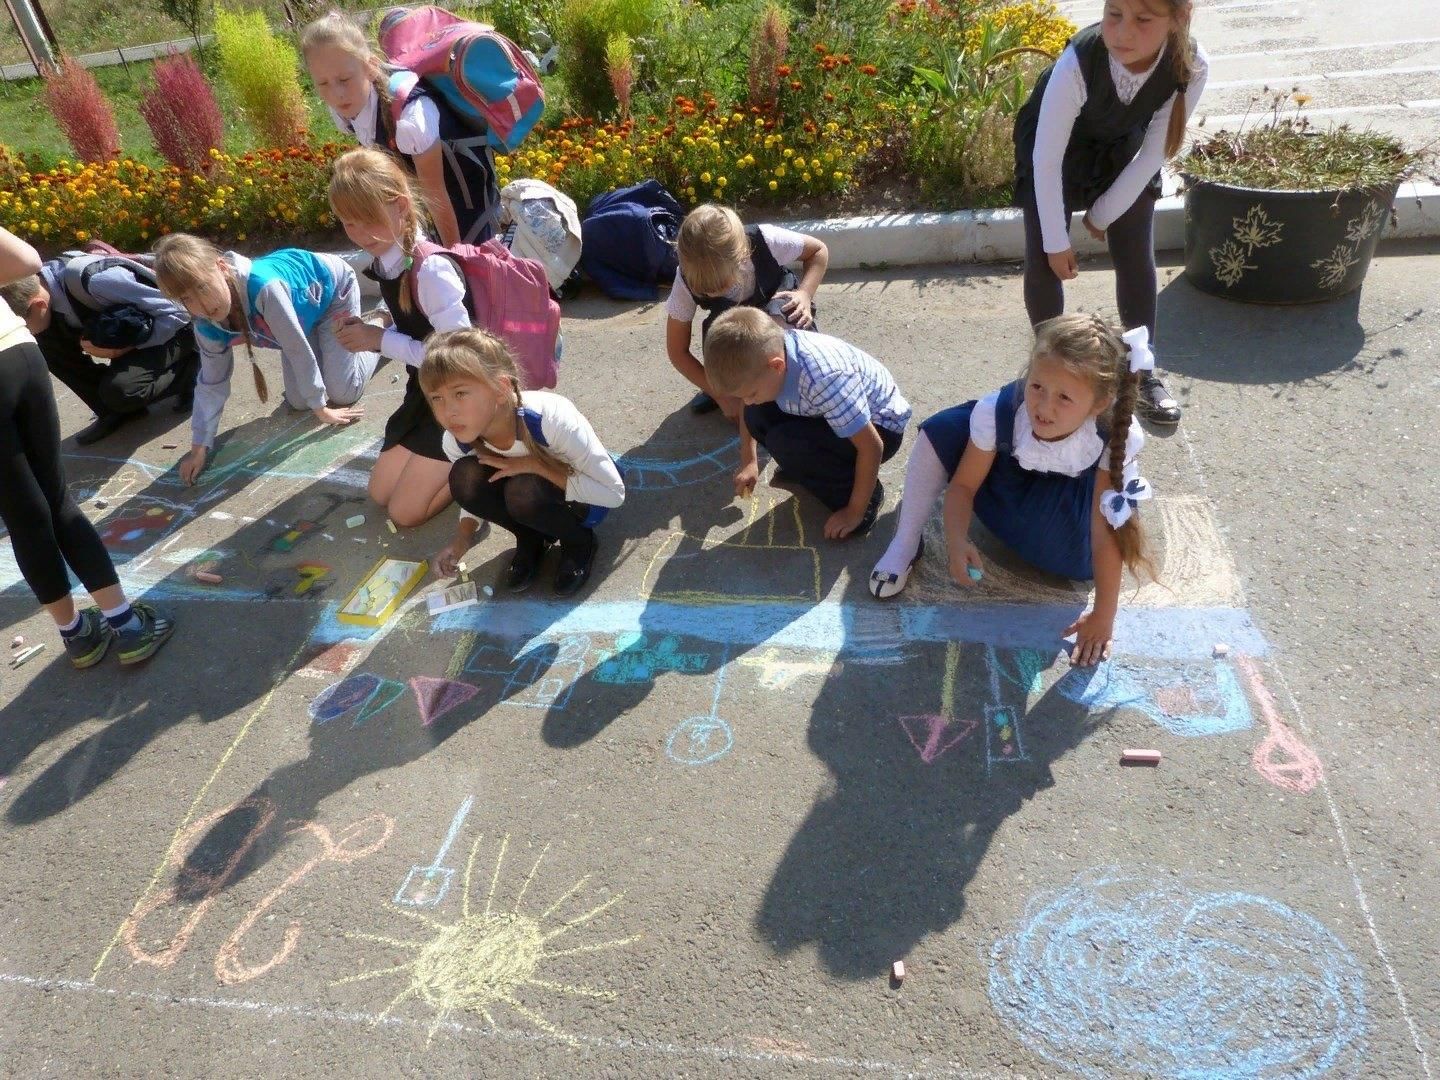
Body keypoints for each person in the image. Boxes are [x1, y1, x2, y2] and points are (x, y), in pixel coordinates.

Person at [869, 313, 1157, 666]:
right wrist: (957, 539)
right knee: (943, 428)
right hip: (1014, 480)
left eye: (1064, 398)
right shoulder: (1001, 412)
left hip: (1069, 510)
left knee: (1056, 549)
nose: (1044, 407)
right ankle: (906, 540)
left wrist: (1104, 615)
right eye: (1037, 387)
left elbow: (1104, 533)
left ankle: (1028, 529)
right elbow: (963, 486)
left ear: (1098, 404)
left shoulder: (1114, 435)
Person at [1012, 0, 1207, 426]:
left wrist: (1103, 214)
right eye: (1113, 13)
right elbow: (1046, 160)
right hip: (1053, 151)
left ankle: (1140, 369)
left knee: (1135, 246)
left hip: (1123, 149)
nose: (1122, 32)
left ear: (1177, 19)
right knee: (1044, 260)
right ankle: (1051, 372)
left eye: (1143, 19)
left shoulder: (1190, 66)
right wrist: (1057, 243)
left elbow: (1153, 153)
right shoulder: (1079, 62)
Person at [0, 227, 176, 666]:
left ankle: (76, 634)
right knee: (56, 499)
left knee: (23, 516)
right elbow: (25, 260)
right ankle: (127, 625)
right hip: (12, 353)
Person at [151, 234, 379, 486]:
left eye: (203, 286)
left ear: (221, 267)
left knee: (343, 391)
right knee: (299, 401)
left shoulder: (264, 288)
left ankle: (378, 329)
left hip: (331, 294)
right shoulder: (206, 323)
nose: (202, 305)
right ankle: (330, 348)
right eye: (187, 299)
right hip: (301, 319)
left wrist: (321, 408)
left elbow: (295, 349)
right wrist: (199, 447)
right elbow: (211, 382)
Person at [328, 146, 471, 527]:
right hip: (425, 392)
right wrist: (377, 323)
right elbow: (413, 319)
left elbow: (460, 359)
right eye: (348, 223)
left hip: (460, 396)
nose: (360, 234)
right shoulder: (388, 257)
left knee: (404, 513)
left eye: (368, 219)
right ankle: (451, 461)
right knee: (380, 494)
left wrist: (379, 341)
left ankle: (479, 465)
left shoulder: (432, 270)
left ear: (401, 206)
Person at [423, 327, 624, 597]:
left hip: (585, 499)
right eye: (437, 398)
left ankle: (578, 542)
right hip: (528, 496)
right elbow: (473, 497)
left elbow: (613, 494)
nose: (448, 411)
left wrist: (536, 465)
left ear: (500, 388)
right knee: (464, 477)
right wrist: (461, 541)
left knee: (524, 490)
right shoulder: (456, 439)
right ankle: (530, 539)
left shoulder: (549, 420)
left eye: (460, 393)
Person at [702, 306, 910, 541]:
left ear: (777, 366)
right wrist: (749, 461)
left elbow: (872, 447)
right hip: (828, 413)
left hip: (880, 429)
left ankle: (867, 495)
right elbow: (749, 403)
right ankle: (809, 468)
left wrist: (854, 511)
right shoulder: (769, 364)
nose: (746, 401)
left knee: (788, 442)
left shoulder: (824, 380)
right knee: (756, 415)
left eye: (750, 393)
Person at [301, 10, 499, 247]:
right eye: (323, 83)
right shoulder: (348, 108)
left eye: (344, 80)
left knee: (476, 273)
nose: (337, 93)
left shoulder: (410, 116)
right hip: (426, 202)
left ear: (371, 67)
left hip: (465, 197)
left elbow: (436, 196)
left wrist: (455, 261)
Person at [0, 251, 199, 445]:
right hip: (135, 331)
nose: (27, 331)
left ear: (39, 305)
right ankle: (114, 411)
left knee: (122, 391)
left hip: (177, 331)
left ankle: (192, 372)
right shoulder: (44, 289)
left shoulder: (97, 281)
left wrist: (123, 350)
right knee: (43, 345)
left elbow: (178, 313)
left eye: (25, 325)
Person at [666, 204, 828, 418]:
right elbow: (677, 351)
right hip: (737, 323)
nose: (713, 291)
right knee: (722, 339)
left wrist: (805, 294)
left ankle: (795, 384)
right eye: (704, 288)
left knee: (777, 324)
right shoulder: (684, 277)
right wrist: (720, 394)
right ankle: (736, 387)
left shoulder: (764, 240)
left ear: (742, 255)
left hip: (778, 310)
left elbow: (818, 251)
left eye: (720, 283)